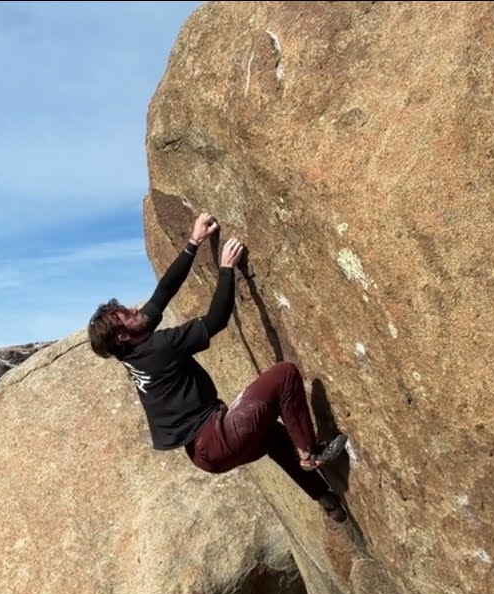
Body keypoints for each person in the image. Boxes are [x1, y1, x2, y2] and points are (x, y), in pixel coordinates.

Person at [87, 212, 349, 522]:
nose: (134, 309)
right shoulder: (159, 348)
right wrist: (226, 269)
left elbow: (164, 293)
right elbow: (215, 321)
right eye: (125, 315)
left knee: (274, 437)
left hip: (207, 453)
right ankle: (310, 453)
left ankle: (327, 502)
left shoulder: (131, 351)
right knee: (284, 374)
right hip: (217, 437)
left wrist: (193, 242)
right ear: (122, 335)